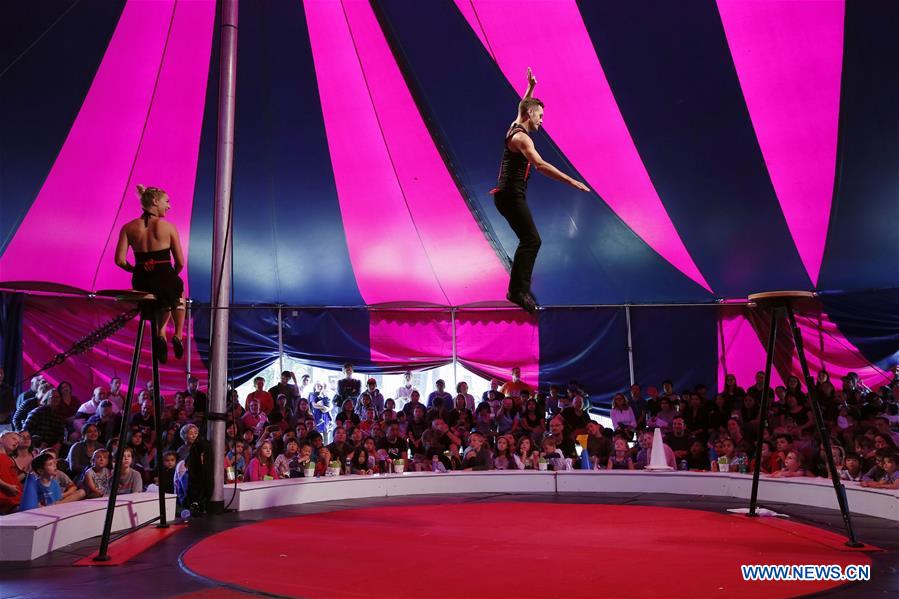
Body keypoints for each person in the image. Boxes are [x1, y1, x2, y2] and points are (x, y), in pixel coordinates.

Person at [491, 68, 589, 313]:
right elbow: (540, 165)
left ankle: (517, 289)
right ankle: (517, 291)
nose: (542, 120)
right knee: (532, 240)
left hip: (509, 196)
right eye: (540, 115)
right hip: (510, 196)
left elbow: (521, 106)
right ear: (530, 114)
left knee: (530, 239)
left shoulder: (515, 124)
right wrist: (571, 181)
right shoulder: (522, 139)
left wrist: (531, 88)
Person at [114, 184, 186, 363]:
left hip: (141, 279)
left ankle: (160, 333)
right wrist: (172, 274)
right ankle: (177, 334)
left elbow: (119, 260)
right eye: (167, 202)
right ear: (155, 202)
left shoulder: (128, 227)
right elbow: (180, 263)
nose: (169, 206)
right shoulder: (168, 227)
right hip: (165, 277)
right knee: (177, 291)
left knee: (163, 292)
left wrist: (136, 269)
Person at [0, 431, 23, 514]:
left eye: (17, 442)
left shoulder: (10, 460)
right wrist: (7, 486)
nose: (16, 442)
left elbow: (13, 479)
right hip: (6, 502)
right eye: (13, 439)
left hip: (17, 499)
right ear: (1, 438)